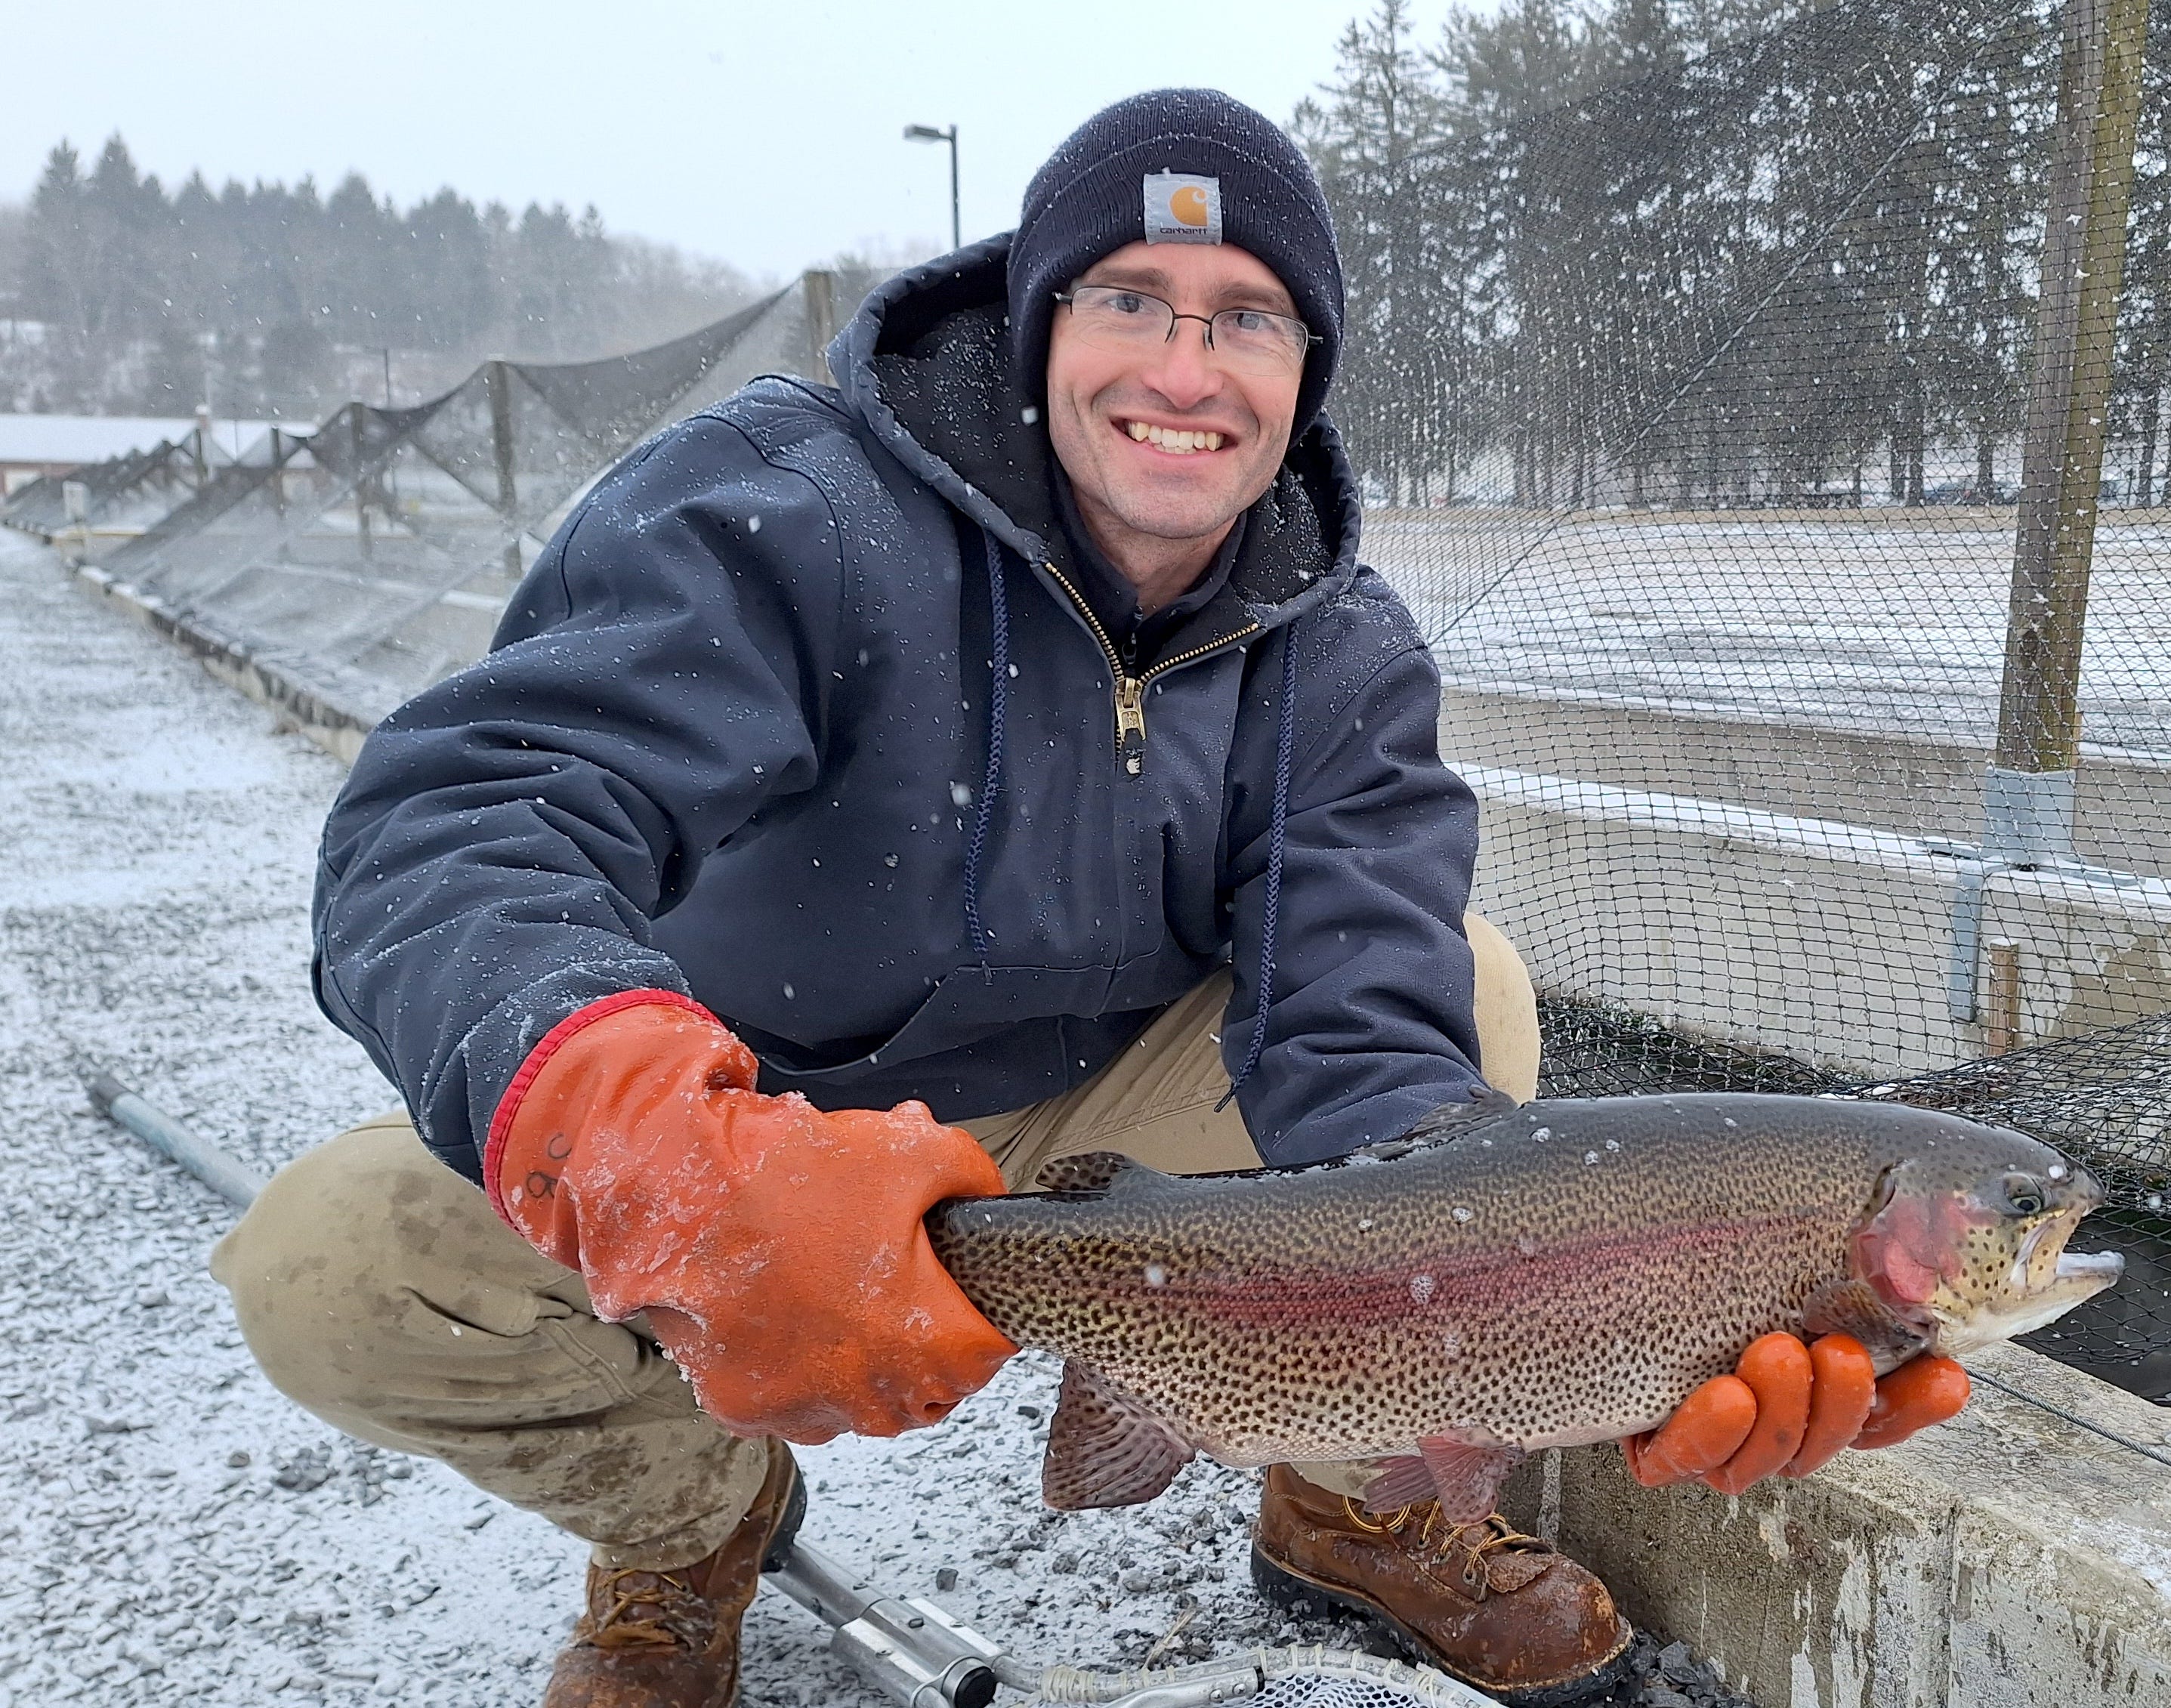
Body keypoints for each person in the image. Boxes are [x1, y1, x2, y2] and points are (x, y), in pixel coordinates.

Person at [212, 90, 1965, 1708]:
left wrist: (1609, 1335)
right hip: (761, 1115)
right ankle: (689, 1526)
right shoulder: (788, 509)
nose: (1186, 367)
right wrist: (651, 1140)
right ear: (1037, 320)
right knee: (332, 1271)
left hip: (1122, 1117)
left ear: (1306, 368)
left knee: (1468, 993)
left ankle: (1362, 1487)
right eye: (1131, 297)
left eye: (1247, 318)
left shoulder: (1337, 648)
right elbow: (468, 816)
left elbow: (1356, 1030)